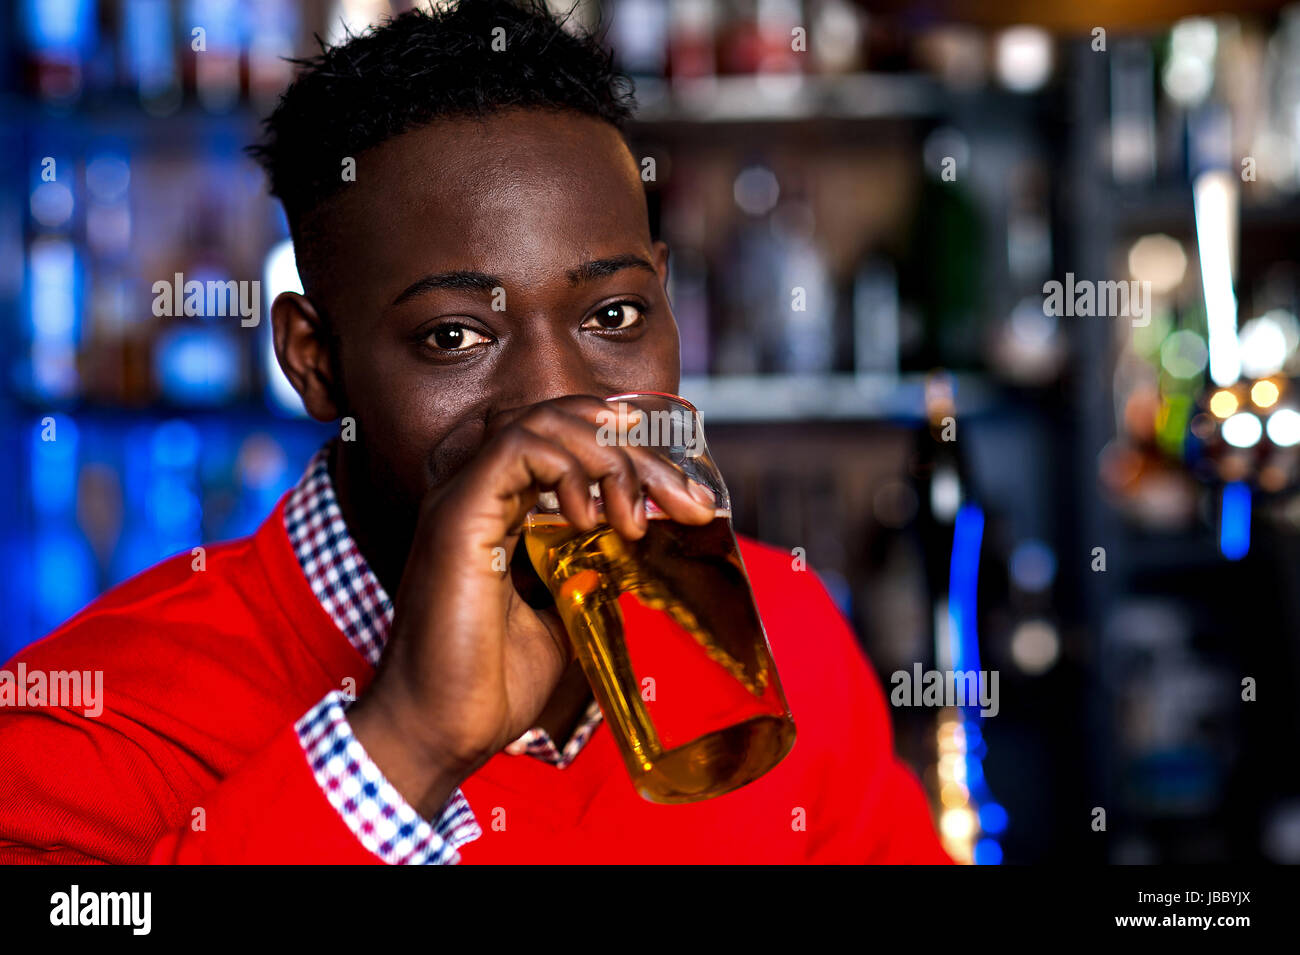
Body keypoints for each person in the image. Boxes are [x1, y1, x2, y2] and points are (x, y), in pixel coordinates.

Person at [0, 0, 950, 864]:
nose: (556, 405)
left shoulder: (784, 636)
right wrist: (404, 742)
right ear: (313, 360)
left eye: (613, 316)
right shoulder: (86, 722)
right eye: (454, 336)